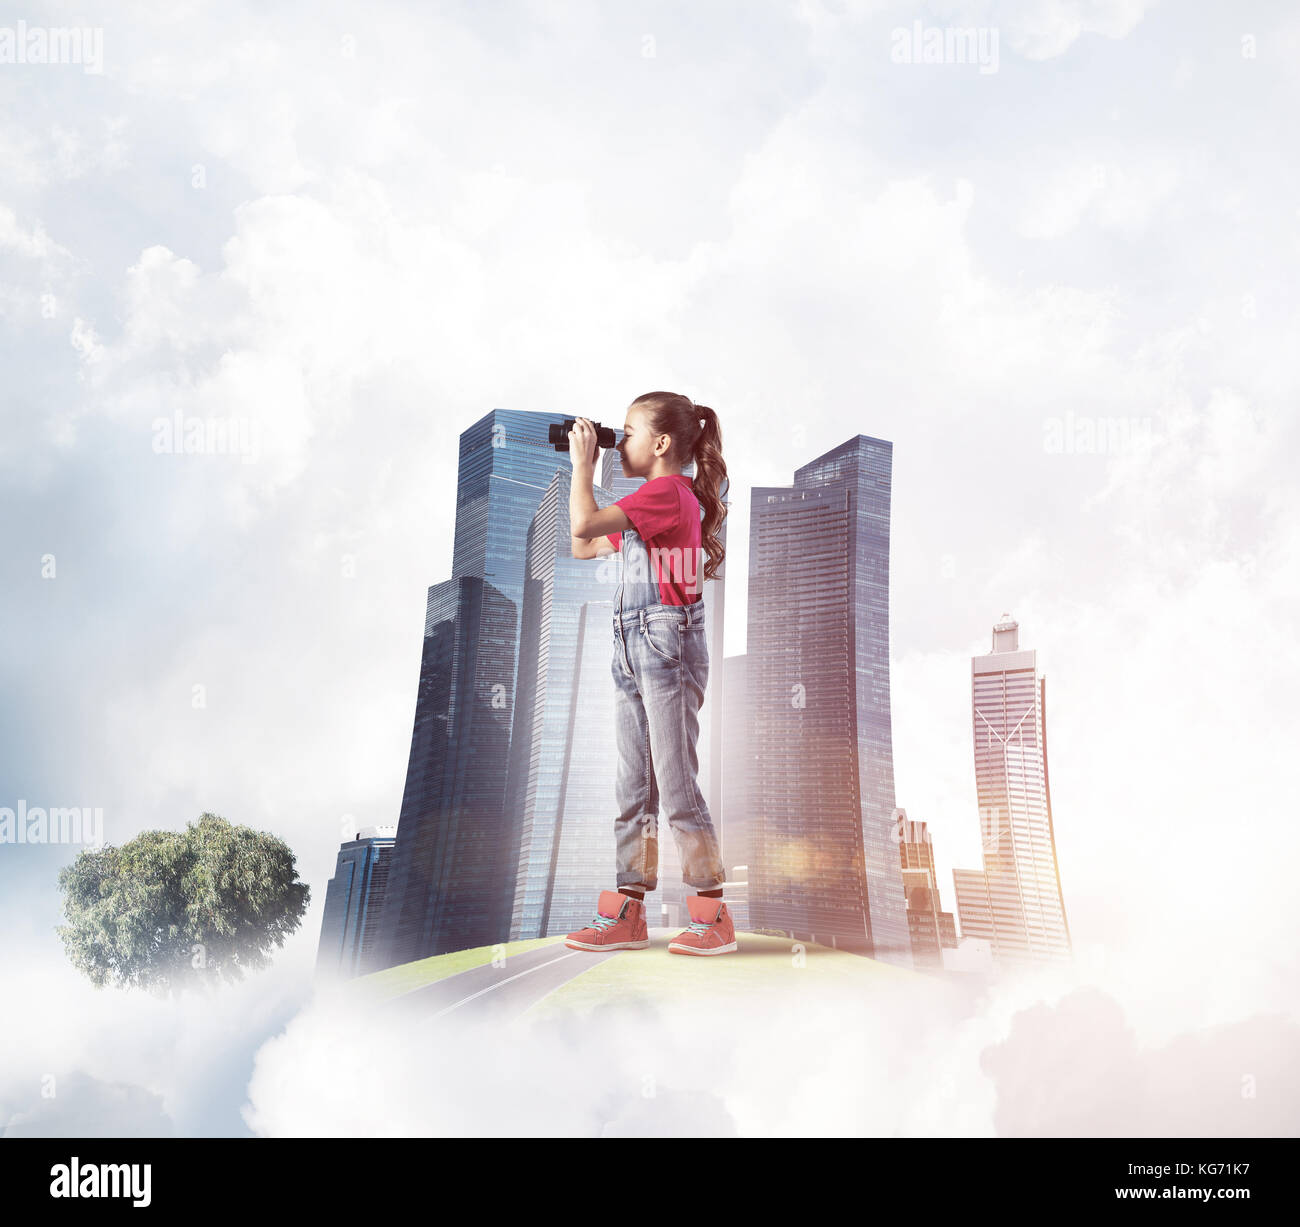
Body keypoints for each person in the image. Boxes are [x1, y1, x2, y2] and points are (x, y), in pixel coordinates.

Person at [562, 391, 736, 956]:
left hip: (666, 646)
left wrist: (584, 466)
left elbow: (585, 519)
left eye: (628, 432)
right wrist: (583, 471)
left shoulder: (666, 493)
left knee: (676, 780)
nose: (620, 441)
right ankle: (629, 913)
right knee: (633, 785)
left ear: (661, 444)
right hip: (631, 642)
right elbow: (583, 544)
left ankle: (713, 914)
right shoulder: (648, 506)